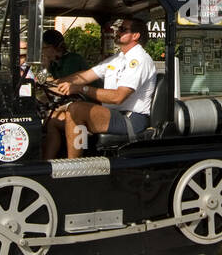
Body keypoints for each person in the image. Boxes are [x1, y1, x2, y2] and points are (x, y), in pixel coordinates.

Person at [43, 17, 156, 159]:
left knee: (76, 109)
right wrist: (50, 86)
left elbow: (118, 97)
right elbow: (84, 76)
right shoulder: (118, 58)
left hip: (130, 118)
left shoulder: (139, 60)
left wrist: (80, 89)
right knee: (54, 119)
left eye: (123, 29)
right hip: (113, 114)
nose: (118, 32)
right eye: (118, 28)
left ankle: (73, 166)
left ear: (135, 35)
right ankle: (46, 167)